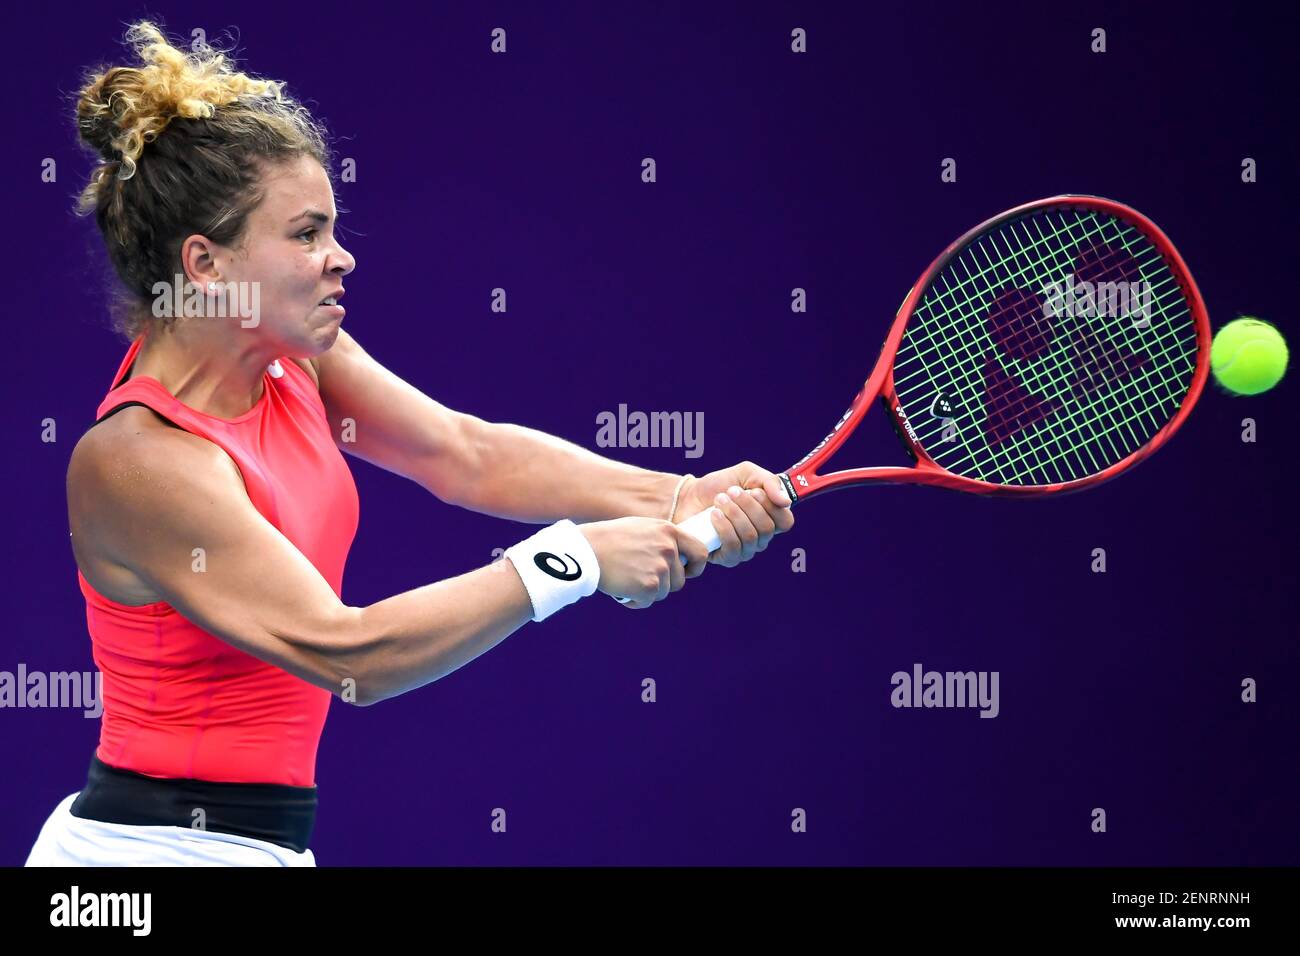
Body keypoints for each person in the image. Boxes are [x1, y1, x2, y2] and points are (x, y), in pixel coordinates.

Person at [25, 21, 794, 866]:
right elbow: (351, 653)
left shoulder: (295, 364)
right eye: (306, 234)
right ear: (206, 265)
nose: (341, 257)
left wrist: (676, 495)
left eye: (332, 229)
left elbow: (464, 453)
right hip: (143, 861)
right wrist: (570, 561)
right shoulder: (143, 458)